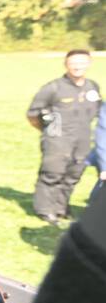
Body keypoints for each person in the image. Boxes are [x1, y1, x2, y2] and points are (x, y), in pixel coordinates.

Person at [26, 49, 101, 224]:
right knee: (52, 174)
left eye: (82, 62)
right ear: (66, 64)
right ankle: (45, 210)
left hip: (83, 138)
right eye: (73, 62)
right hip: (57, 140)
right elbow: (32, 114)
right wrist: (49, 133)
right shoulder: (53, 88)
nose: (77, 66)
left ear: (89, 64)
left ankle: (61, 208)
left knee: (73, 175)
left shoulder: (92, 87)